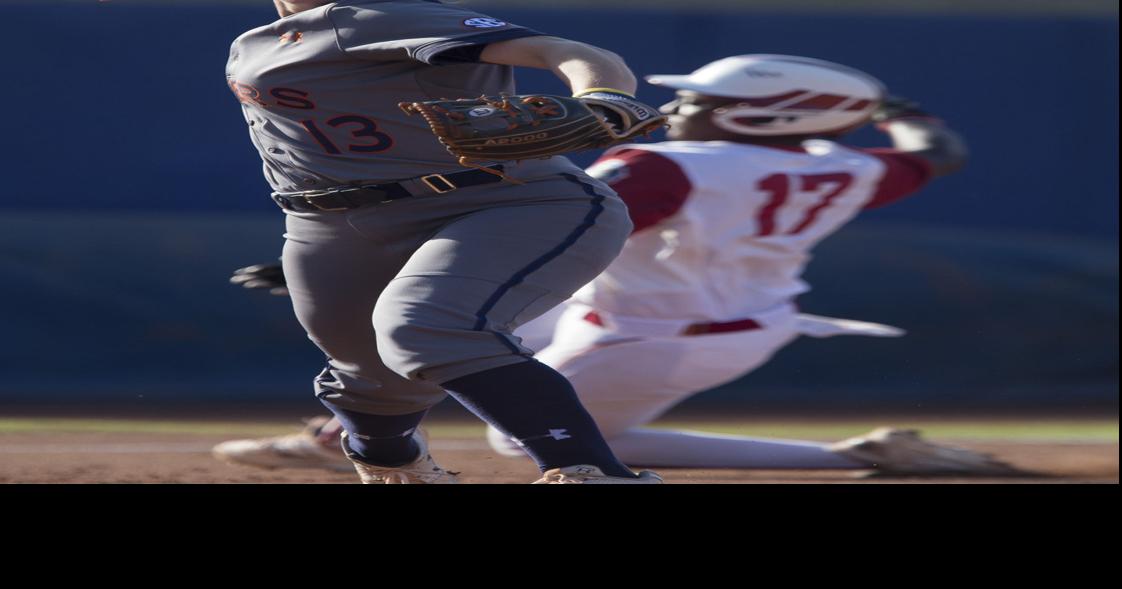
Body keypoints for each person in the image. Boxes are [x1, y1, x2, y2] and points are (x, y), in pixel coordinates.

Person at [217, 53, 1024, 477]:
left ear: (766, 111)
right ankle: (338, 433)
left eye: (702, 103)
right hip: (737, 318)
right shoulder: (842, 165)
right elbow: (938, 154)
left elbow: (526, 229)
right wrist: (889, 109)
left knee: (506, 415)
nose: (681, 109)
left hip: (647, 331)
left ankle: (858, 457)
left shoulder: (666, 169)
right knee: (491, 319)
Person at [224, 0, 670, 484]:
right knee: (370, 382)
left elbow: (562, 50)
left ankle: (593, 472)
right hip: (327, 223)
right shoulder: (252, 44)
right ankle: (393, 464)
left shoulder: (382, 15)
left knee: (426, 327)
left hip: (500, 200)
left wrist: (603, 96)